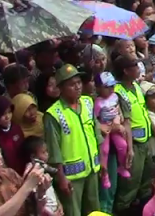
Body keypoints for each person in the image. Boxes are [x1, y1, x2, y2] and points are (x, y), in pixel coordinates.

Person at [43, 64, 102, 216]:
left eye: (78, 83)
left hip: (92, 169)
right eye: (72, 84)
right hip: (71, 175)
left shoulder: (88, 102)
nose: (77, 87)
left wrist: (103, 161)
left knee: (94, 210)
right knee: (73, 212)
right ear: (61, 88)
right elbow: (53, 149)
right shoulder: (53, 114)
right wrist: (61, 177)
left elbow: (96, 134)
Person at [112, 55, 155, 213]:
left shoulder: (136, 86)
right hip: (133, 144)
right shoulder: (119, 92)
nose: (139, 69)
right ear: (125, 71)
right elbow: (126, 122)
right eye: (135, 67)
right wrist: (129, 148)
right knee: (130, 183)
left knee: (146, 181)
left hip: (145, 140)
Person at [93, 72, 130, 189]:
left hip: (116, 123)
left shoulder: (115, 97)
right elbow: (94, 119)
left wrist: (119, 117)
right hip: (105, 128)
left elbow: (117, 108)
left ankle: (122, 166)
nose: (111, 89)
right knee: (104, 150)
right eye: (107, 87)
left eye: (112, 86)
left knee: (123, 145)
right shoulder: (97, 102)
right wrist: (102, 126)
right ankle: (105, 174)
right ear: (99, 88)